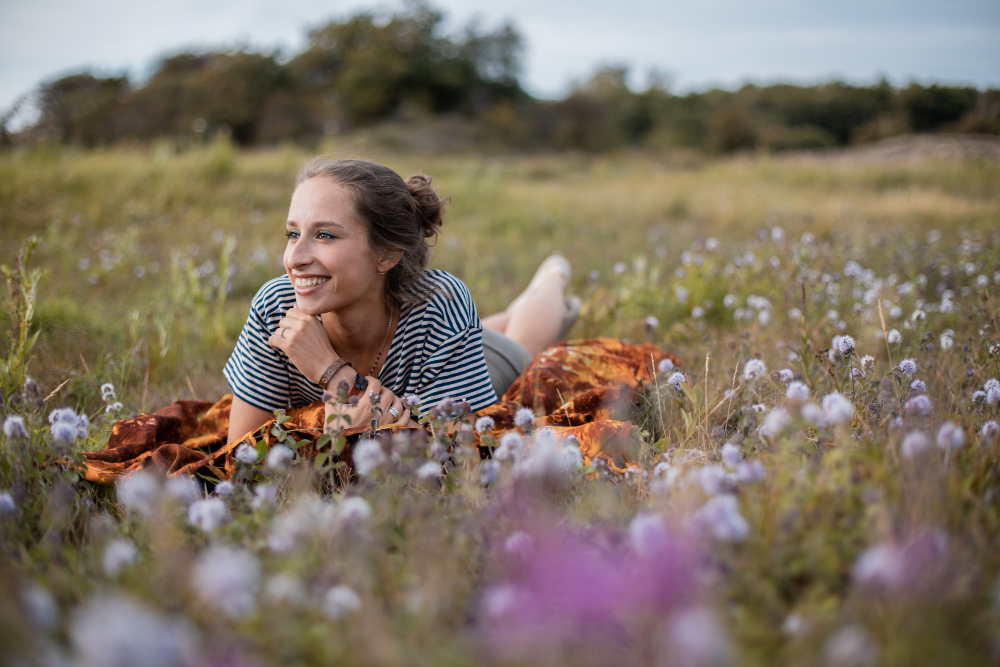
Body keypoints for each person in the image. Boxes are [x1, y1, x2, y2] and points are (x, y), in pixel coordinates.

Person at [224, 157, 579, 444]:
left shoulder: (441, 300)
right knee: (477, 330)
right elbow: (239, 452)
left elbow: (454, 450)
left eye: (324, 235)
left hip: (478, 355)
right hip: (431, 350)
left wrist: (330, 371)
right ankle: (491, 322)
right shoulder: (277, 306)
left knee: (522, 345)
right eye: (292, 234)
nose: (295, 258)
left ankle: (553, 278)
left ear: (387, 254)